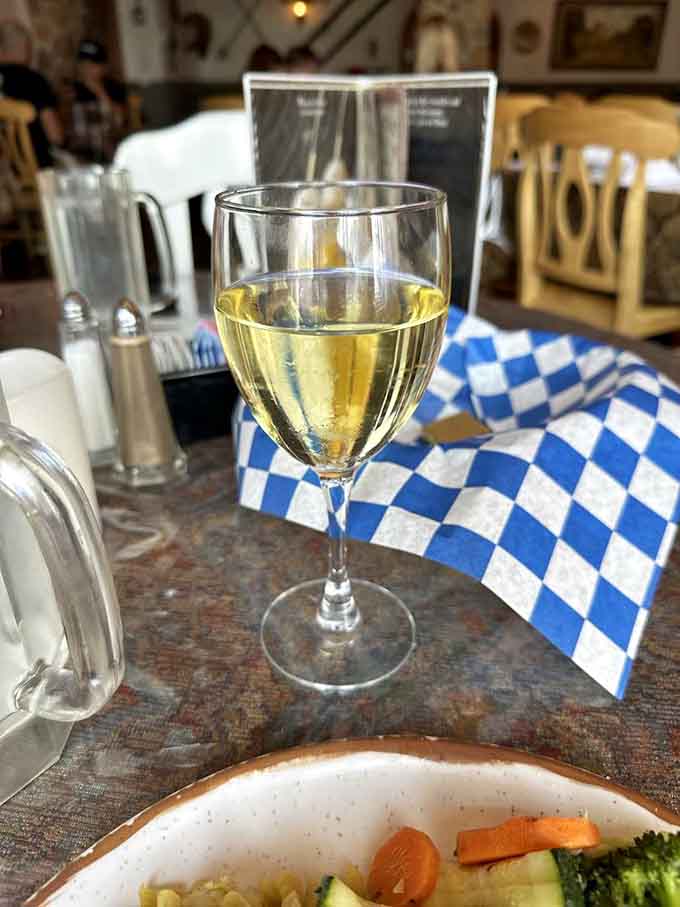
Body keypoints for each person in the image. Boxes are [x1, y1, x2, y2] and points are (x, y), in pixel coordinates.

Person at [0, 20, 63, 168]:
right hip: (38, 173)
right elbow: (55, 136)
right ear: (26, 49)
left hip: (5, 180)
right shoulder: (34, 80)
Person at [68, 40, 127, 162]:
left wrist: (100, 93)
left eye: (93, 65)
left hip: (108, 147)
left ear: (103, 67)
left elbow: (119, 121)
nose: (87, 69)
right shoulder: (71, 90)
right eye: (83, 64)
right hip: (82, 150)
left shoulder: (113, 87)